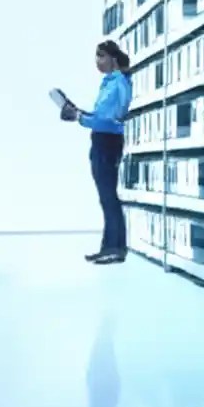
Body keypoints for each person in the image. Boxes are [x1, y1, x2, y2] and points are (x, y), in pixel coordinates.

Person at [63, 40, 133, 264]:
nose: (97, 61)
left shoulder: (119, 83)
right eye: (96, 56)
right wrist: (80, 114)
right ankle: (110, 247)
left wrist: (79, 118)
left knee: (109, 197)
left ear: (113, 58)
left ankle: (116, 248)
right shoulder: (109, 82)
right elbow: (100, 115)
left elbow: (112, 119)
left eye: (101, 56)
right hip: (102, 140)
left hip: (108, 141)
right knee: (106, 197)